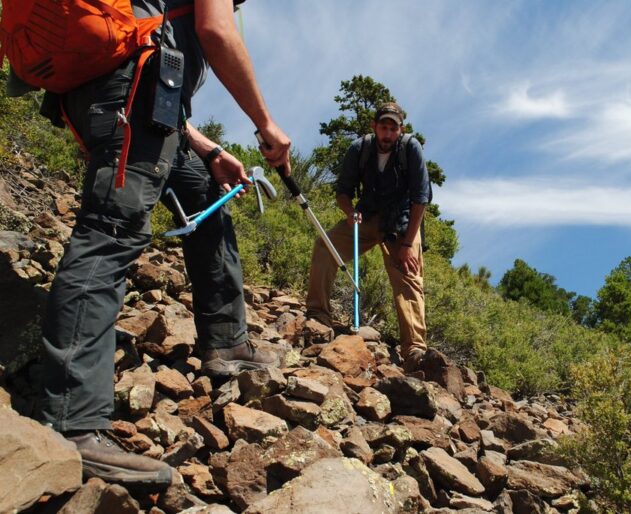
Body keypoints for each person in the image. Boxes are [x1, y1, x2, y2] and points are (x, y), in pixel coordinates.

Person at [34, 0, 291, 487]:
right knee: (110, 232)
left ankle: (227, 344)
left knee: (201, 189)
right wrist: (265, 123)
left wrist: (210, 149)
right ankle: (71, 426)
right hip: (131, 95)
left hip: (125, 94)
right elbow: (215, 31)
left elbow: (148, 50)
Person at [306, 102, 430, 371]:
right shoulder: (360, 149)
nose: (387, 134)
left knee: (408, 277)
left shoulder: (411, 148)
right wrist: (350, 212)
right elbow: (343, 191)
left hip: (401, 223)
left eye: (393, 129)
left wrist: (408, 244)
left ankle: (414, 350)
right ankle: (318, 315)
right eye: (383, 127)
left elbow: (421, 199)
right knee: (325, 246)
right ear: (374, 127)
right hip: (365, 217)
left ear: (401, 130)